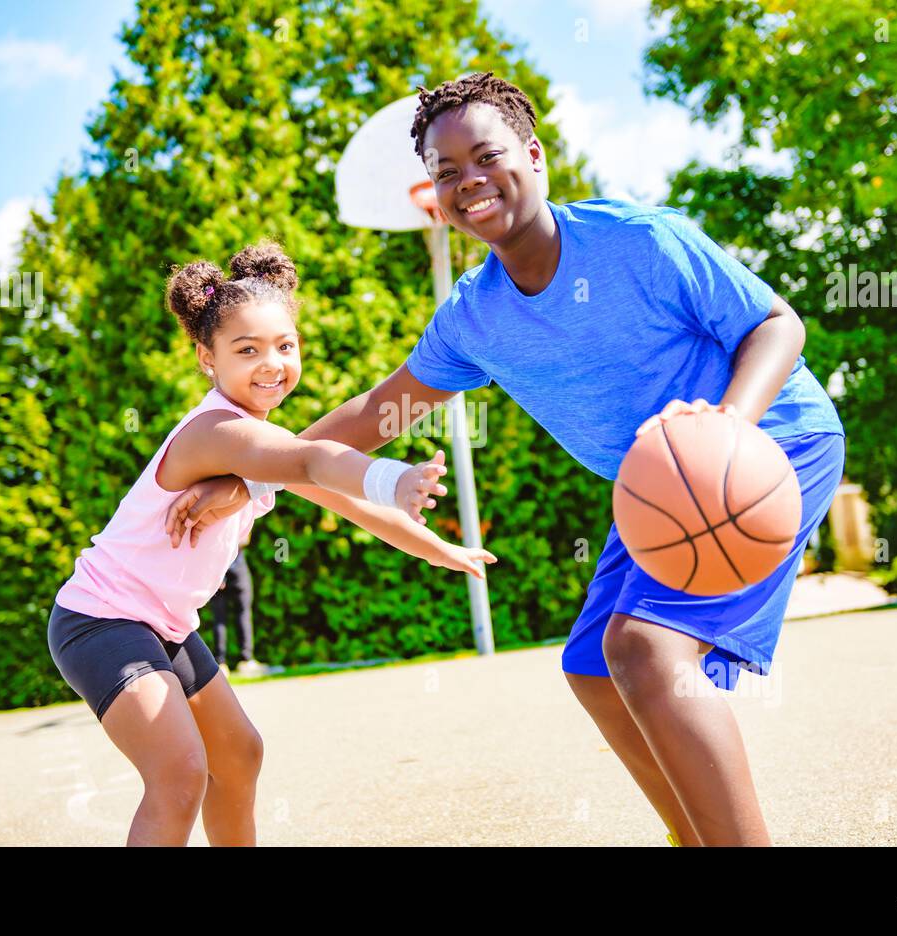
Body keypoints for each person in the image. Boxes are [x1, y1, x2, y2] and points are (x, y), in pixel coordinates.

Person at [164, 75, 847, 848]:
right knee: (594, 664)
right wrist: (251, 479)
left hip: (771, 443)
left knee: (645, 650)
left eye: (485, 157)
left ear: (534, 155)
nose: (467, 182)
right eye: (445, 172)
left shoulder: (638, 240)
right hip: (662, 484)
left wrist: (725, 430)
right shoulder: (475, 316)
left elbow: (775, 325)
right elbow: (375, 413)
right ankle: (696, 834)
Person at [47, 241, 495, 846]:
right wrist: (395, 479)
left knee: (238, 755)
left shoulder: (255, 447)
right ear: (207, 358)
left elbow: (341, 499)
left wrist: (439, 548)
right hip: (101, 621)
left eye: (285, 346)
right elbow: (315, 461)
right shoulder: (215, 430)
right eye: (247, 349)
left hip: (164, 626)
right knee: (178, 774)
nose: (271, 363)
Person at [204, 528, 264, 677]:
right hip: (224, 568)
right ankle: (225, 662)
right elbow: (245, 539)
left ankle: (241, 660)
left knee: (235, 614)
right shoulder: (242, 510)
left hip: (223, 567)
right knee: (225, 616)